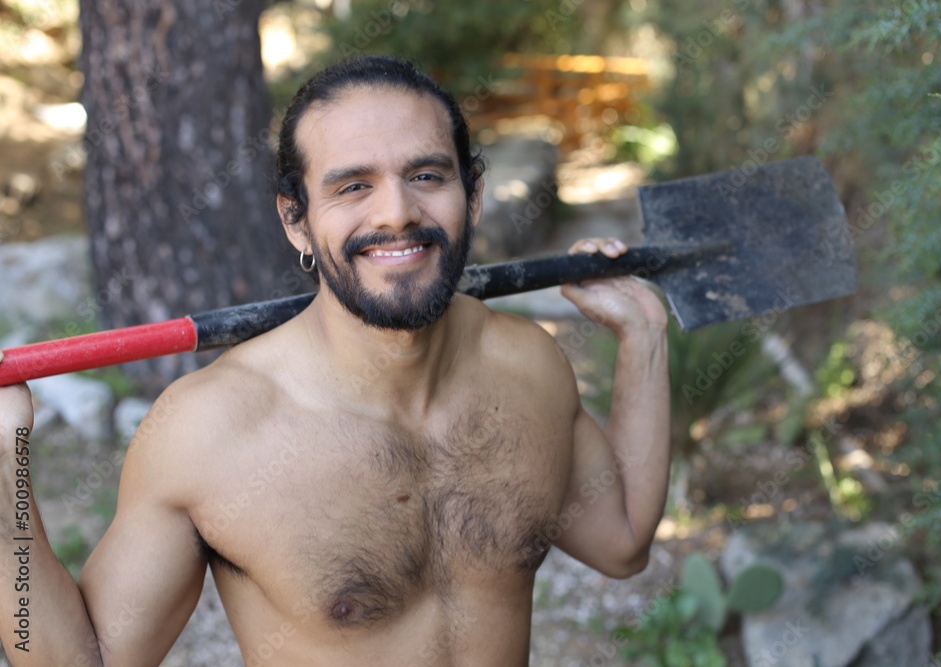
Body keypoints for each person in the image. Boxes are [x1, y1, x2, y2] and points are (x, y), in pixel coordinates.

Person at [0, 55, 670, 666]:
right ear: (296, 219)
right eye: (353, 186)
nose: (398, 213)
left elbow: (623, 540)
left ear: (474, 192)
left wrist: (642, 338)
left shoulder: (529, 368)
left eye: (426, 175)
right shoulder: (210, 430)